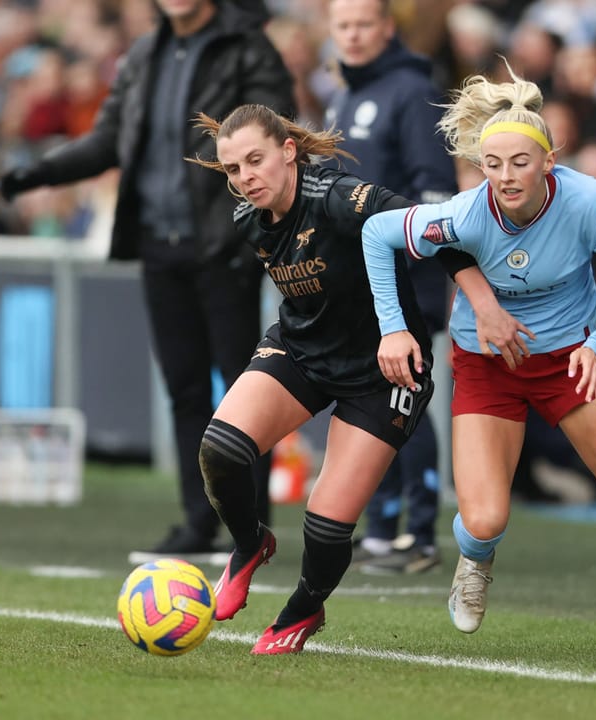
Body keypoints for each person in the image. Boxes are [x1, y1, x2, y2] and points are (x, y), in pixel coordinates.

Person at [360, 66, 596, 662]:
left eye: (520, 162)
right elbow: (377, 234)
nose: (506, 177)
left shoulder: (587, 200)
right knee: (482, 521)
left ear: (548, 162)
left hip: (573, 360)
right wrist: (394, 329)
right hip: (486, 365)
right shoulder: (464, 214)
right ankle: (474, 564)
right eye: (493, 164)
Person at [0, 0, 295, 558]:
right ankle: (198, 522)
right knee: (184, 389)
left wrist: (249, 232)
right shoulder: (144, 52)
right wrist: (42, 172)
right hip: (161, 246)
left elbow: (278, 143)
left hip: (223, 248)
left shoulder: (248, 48)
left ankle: (250, 530)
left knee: (245, 388)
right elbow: (111, 137)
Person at [190, 103, 469, 654]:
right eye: (233, 169)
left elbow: (437, 232)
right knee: (220, 451)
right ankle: (250, 545)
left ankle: (302, 609)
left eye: (255, 160)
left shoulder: (341, 198)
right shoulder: (249, 220)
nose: (246, 178)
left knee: (325, 526)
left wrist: (482, 308)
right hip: (302, 351)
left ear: (288, 152)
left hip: (382, 371)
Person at [324, 0, 458, 575]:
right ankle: (380, 526)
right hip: (357, 277)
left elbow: (436, 193)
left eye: (361, 25)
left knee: (407, 394)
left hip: (406, 274)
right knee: (369, 394)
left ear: (386, 28)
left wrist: (402, 252)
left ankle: (419, 533)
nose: (351, 36)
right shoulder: (343, 95)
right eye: (342, 27)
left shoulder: (410, 92)